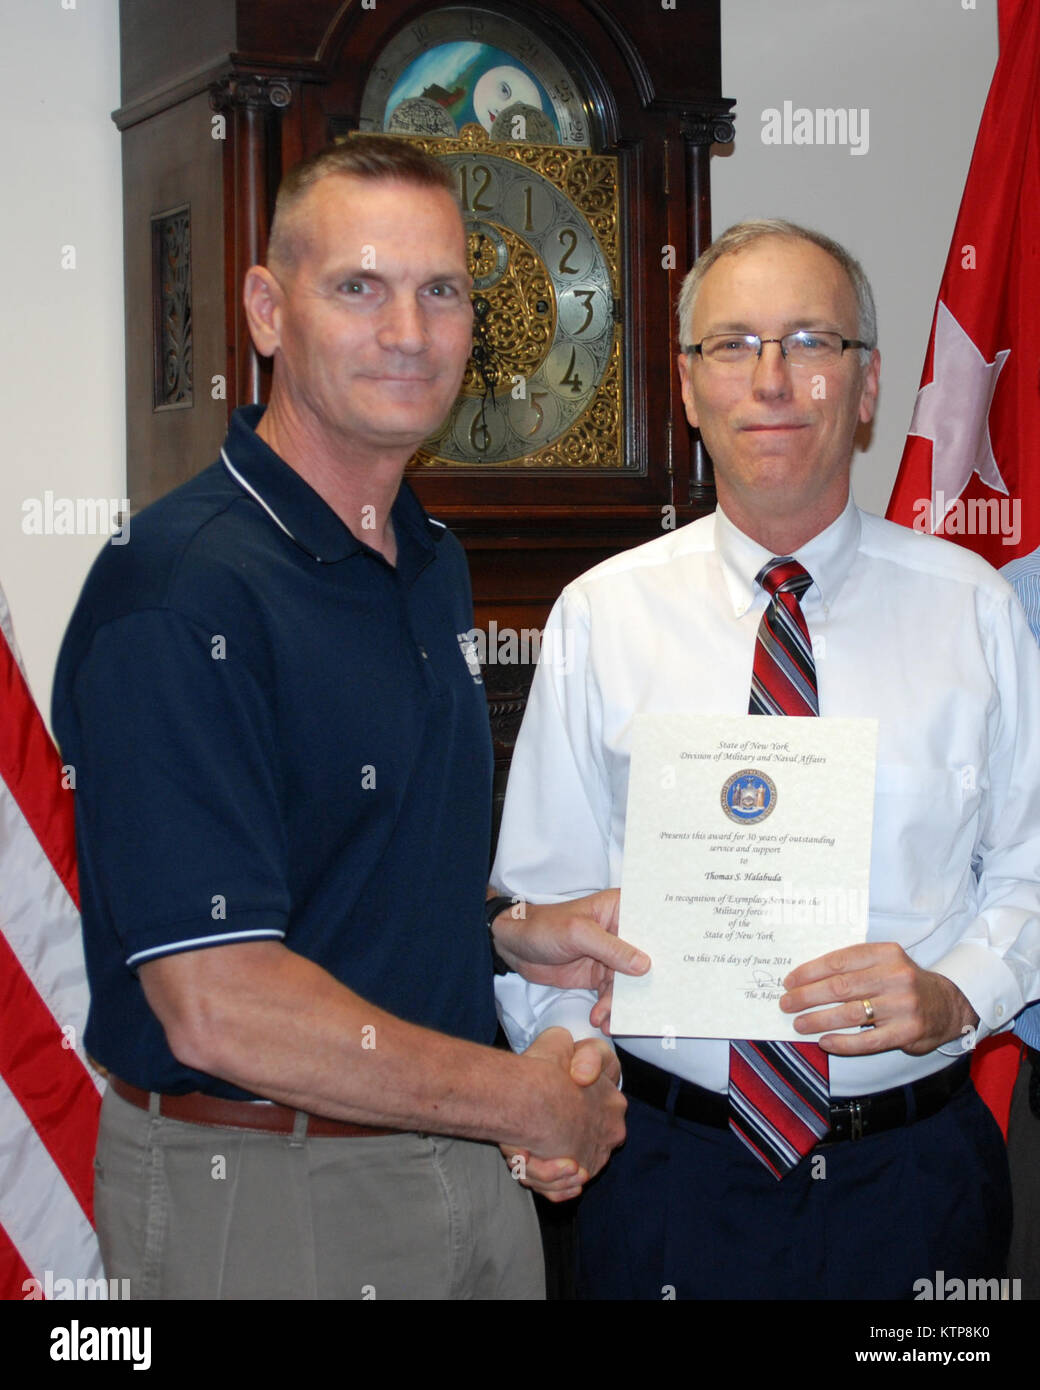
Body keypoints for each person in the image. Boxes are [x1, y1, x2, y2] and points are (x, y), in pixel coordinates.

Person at [52, 137, 634, 1301]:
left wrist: (504, 926)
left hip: (466, 1173)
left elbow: (334, 865)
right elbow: (217, 1001)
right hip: (264, 1191)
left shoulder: (427, 558)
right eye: (357, 287)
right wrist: (519, 1096)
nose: (408, 332)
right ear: (268, 311)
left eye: (441, 291)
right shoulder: (176, 591)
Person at [491, 219, 1040, 1300]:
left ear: (868, 383)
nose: (772, 379)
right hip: (662, 1177)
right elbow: (543, 908)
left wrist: (952, 997)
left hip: (914, 1178)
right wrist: (564, 1059)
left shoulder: (972, 610)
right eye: (731, 345)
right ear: (687, 388)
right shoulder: (601, 614)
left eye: (810, 342)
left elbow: (1028, 873)